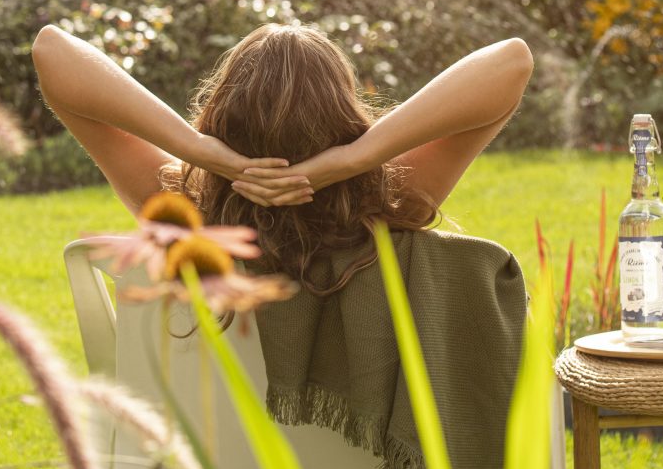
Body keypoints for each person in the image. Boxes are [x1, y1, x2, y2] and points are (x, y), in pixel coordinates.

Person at [30, 21, 534, 292]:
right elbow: (512, 61)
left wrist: (199, 151)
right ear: (344, 114)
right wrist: (357, 158)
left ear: (222, 112)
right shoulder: (396, 199)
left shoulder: (177, 206)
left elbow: (51, 51)